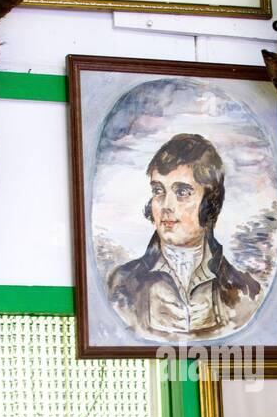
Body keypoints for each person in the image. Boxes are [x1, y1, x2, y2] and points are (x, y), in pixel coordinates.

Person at [107, 133, 262, 341]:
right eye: (158, 191)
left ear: (210, 203)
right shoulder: (121, 285)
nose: (167, 206)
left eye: (182, 192)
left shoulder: (245, 291)